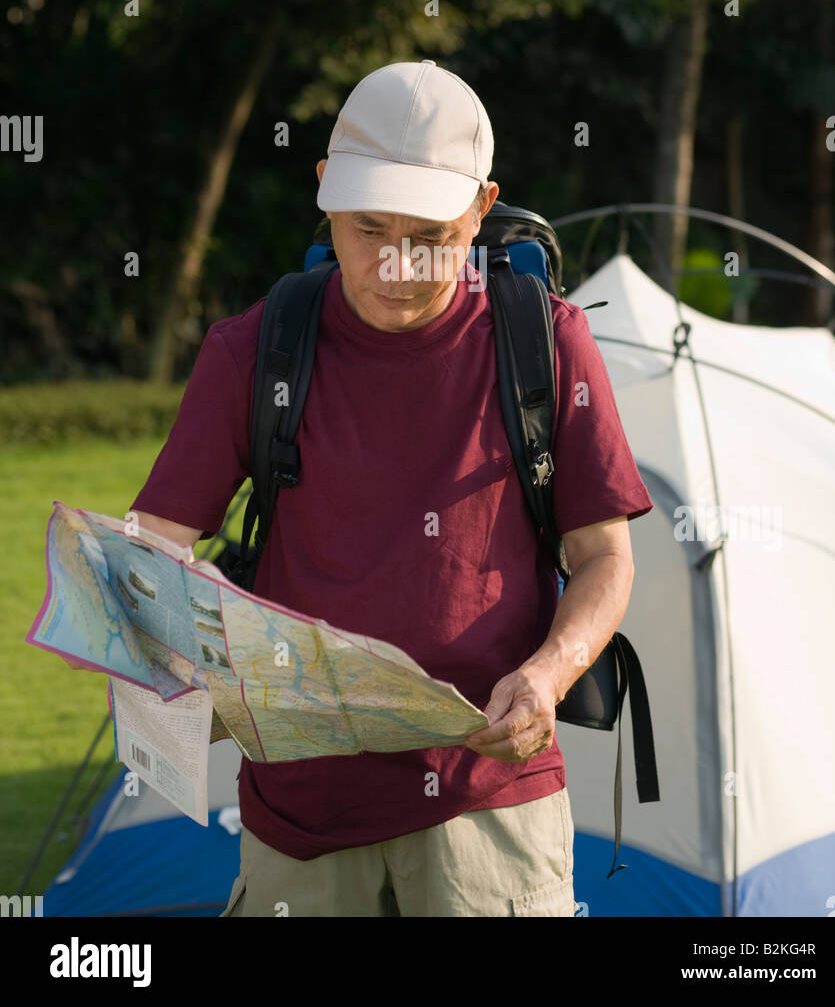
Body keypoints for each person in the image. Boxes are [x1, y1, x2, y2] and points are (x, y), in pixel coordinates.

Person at [131, 58, 652, 917]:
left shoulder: (546, 343)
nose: (397, 269)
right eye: (369, 229)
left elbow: (603, 555)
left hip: (490, 811)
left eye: (432, 238)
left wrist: (550, 673)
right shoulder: (253, 351)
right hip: (300, 819)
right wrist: (169, 630)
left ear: (483, 208)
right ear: (325, 191)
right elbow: (153, 545)